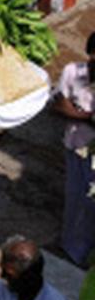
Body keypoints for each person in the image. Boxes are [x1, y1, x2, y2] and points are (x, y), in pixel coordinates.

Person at [54, 35, 95, 268]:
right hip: (74, 145)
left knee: (90, 201)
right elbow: (58, 104)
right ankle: (71, 247)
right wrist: (84, 116)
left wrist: (76, 113)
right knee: (74, 196)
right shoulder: (73, 72)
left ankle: (84, 250)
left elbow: (66, 107)